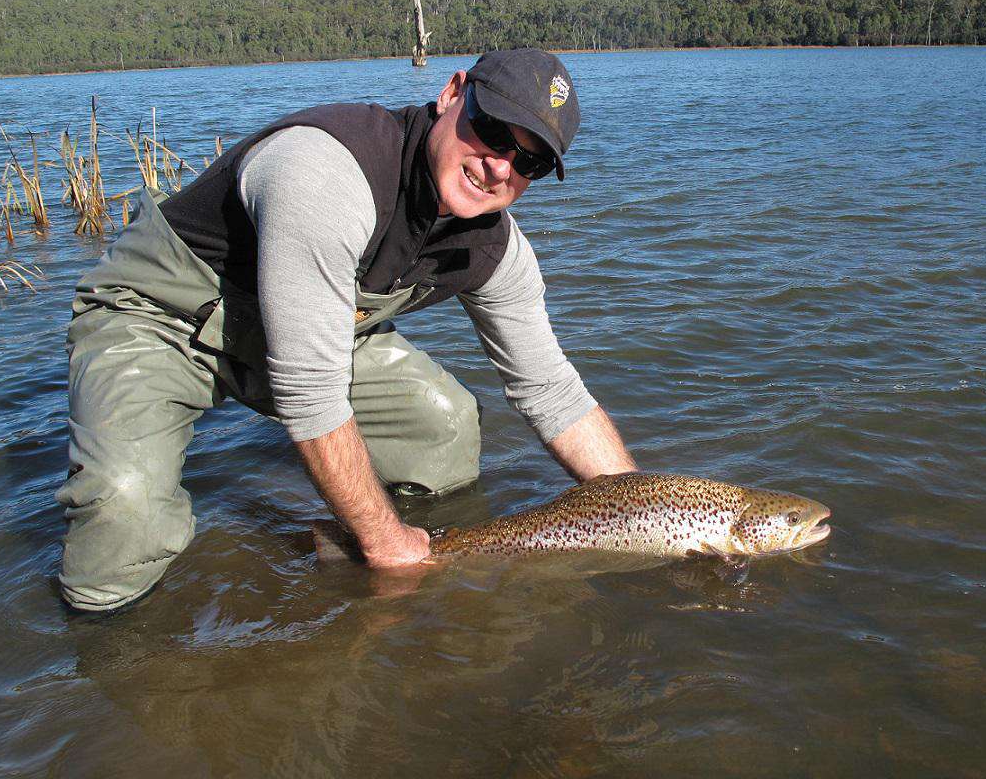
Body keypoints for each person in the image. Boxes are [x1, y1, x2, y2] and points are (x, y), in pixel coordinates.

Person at [57, 48, 637, 611]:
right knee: (123, 515)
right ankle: (106, 660)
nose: (499, 167)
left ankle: (344, 564)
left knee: (444, 428)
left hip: (308, 341)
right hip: (160, 322)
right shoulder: (328, 171)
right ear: (452, 94)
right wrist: (384, 540)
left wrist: (646, 512)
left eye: (529, 161)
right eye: (492, 130)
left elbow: (551, 392)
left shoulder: (493, 250)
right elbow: (309, 390)